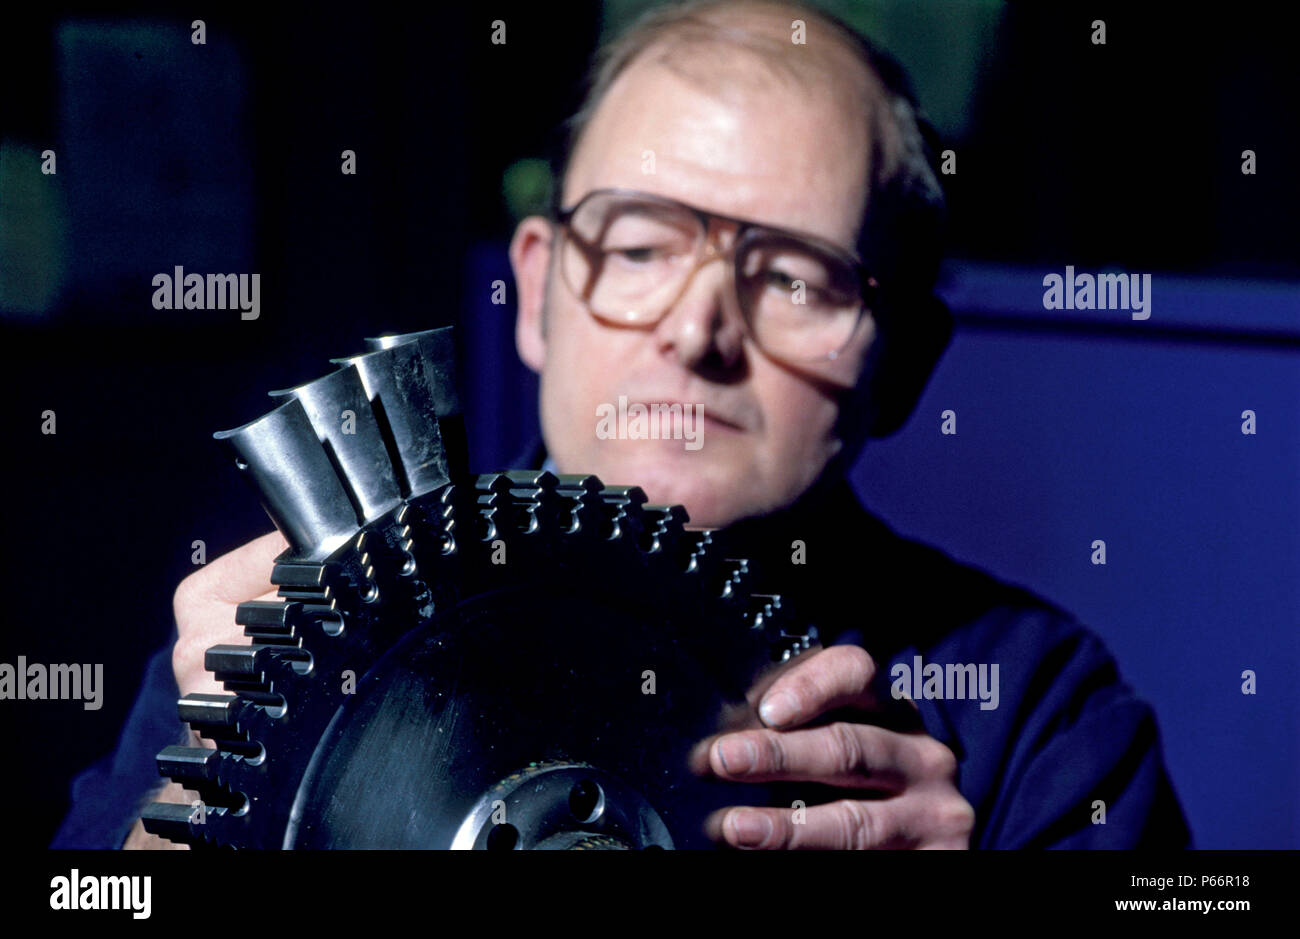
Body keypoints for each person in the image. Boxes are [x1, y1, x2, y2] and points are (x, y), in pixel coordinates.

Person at [54, 0, 1190, 850]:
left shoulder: (1046, 713)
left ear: (901, 364)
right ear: (539, 290)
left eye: (794, 278)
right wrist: (192, 812)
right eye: (639, 247)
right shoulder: (300, 627)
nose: (696, 331)